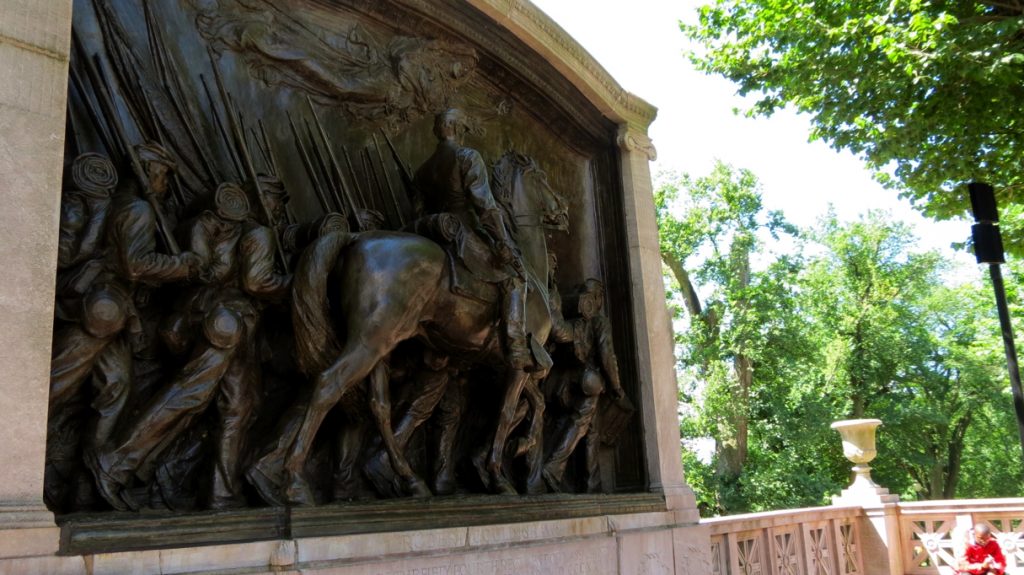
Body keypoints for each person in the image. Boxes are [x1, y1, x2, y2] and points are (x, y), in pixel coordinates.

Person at [87, 179, 291, 510]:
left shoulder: (223, 230)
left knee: (239, 405)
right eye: (276, 201)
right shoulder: (258, 234)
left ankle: (219, 493)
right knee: (192, 394)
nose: (278, 209)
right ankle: (117, 461)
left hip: (227, 327)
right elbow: (258, 282)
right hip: (226, 325)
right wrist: (297, 286)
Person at [46, 147, 201, 511]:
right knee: (58, 382)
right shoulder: (138, 210)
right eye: (163, 175)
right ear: (147, 172)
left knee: (116, 387)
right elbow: (136, 265)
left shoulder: (124, 206)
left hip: (113, 311)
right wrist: (182, 266)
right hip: (98, 311)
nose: (165, 185)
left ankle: (86, 487)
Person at [412, 108, 529, 369]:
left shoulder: (421, 172)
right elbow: (485, 205)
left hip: (432, 232)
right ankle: (516, 344)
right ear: (459, 129)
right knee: (513, 277)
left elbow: (418, 211)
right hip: (462, 231)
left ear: (438, 130)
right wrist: (503, 242)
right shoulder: (467, 156)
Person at [542, 278, 625, 493]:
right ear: (597, 299)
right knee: (580, 426)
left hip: (570, 385)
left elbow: (560, 333)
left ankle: (591, 485)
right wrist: (617, 388)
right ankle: (553, 467)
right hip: (588, 387)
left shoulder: (577, 324)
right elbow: (608, 357)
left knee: (592, 434)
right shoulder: (599, 323)